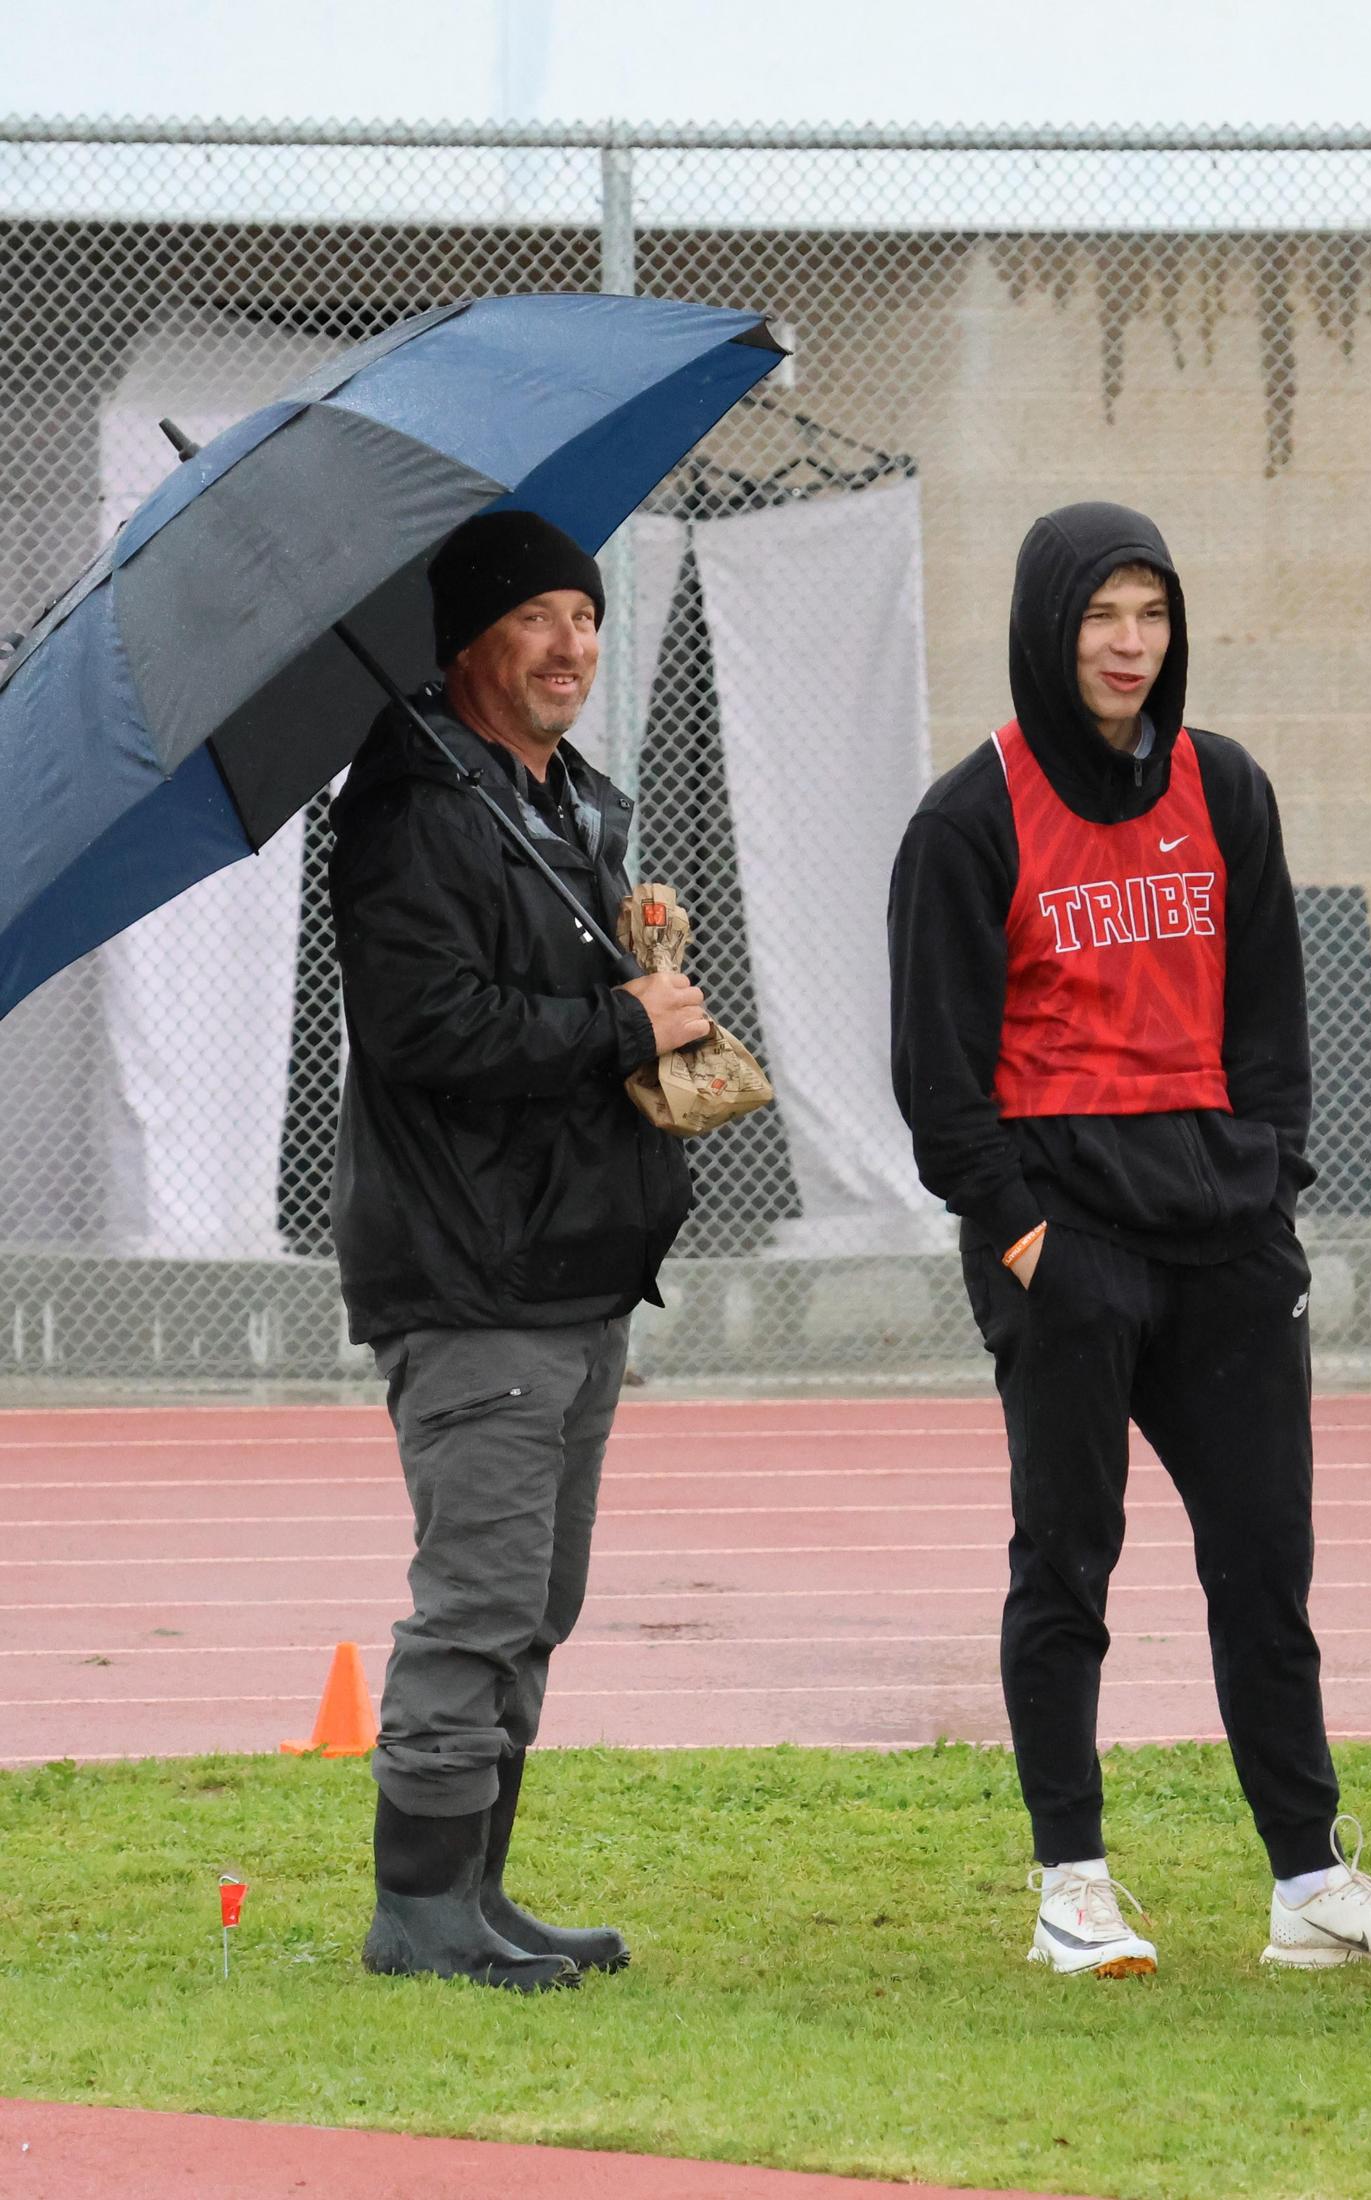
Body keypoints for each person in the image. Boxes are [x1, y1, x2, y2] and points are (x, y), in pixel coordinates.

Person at [888, 501, 1371, 1978]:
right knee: (1064, 1565)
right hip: (1069, 1255)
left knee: (1265, 1563)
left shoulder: (1231, 788)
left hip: (1228, 1251)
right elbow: (939, 1091)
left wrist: (1265, 1191)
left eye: (1150, 614)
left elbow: (1273, 1023)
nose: (1131, 644)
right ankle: (1072, 1886)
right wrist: (1029, 1247)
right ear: (1045, 628)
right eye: (1101, 616)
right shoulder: (969, 818)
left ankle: (1307, 1882)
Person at [331, 509, 705, 1990]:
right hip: (473, 1269)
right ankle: (417, 1912)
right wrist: (622, 1023)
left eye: (588, 617)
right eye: (540, 619)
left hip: (575, 1261)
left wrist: (643, 965)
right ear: (471, 643)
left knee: (534, 1606)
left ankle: (476, 1894)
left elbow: (549, 984)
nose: (574, 648)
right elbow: (428, 1032)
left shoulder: (558, 799)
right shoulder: (416, 806)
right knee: (479, 1598)